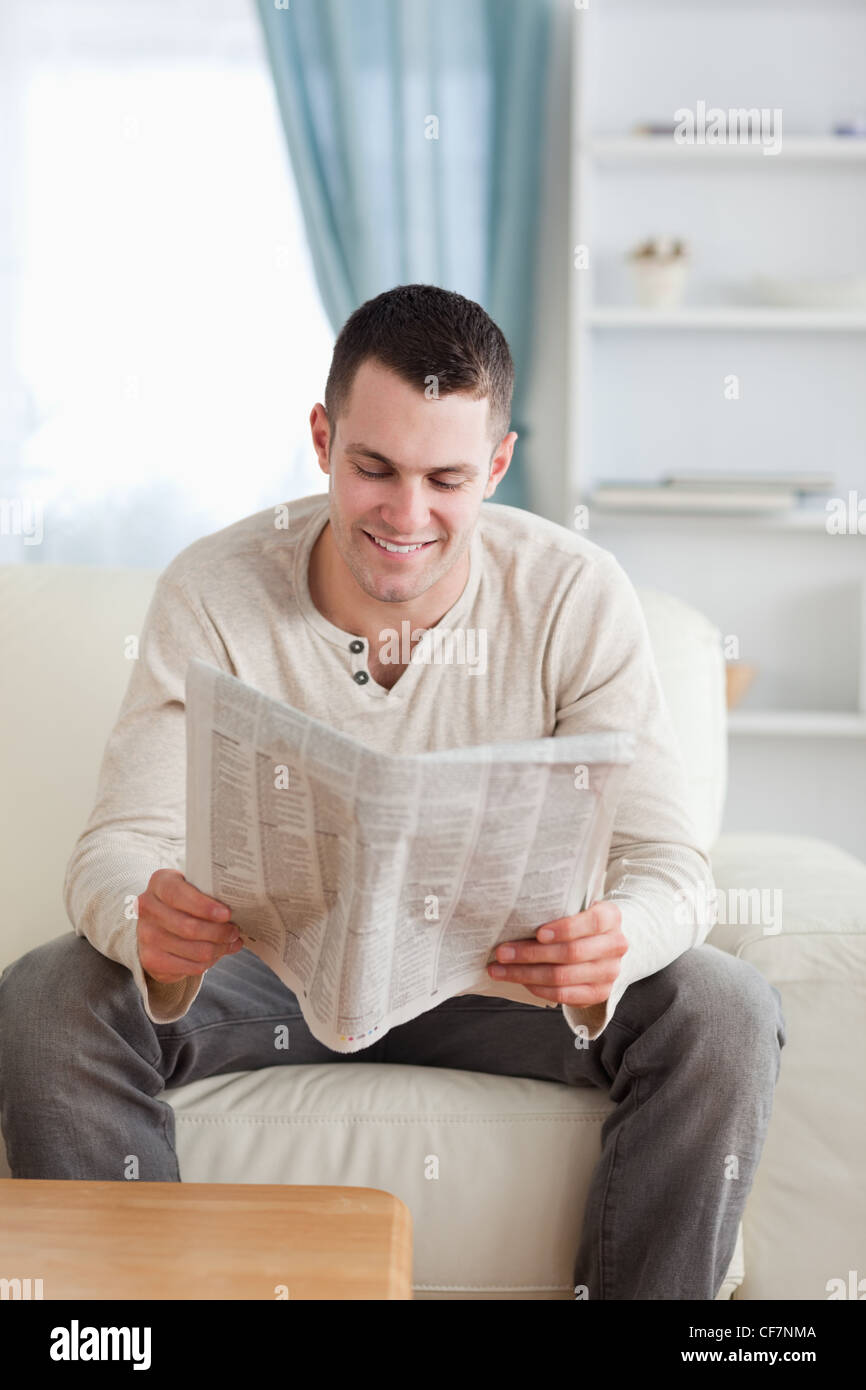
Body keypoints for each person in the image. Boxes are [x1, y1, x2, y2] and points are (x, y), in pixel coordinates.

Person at [0, 283, 786, 1299]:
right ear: (323, 437)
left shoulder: (574, 595)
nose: (405, 516)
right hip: (269, 967)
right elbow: (119, 841)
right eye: (373, 467)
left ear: (497, 465)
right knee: (50, 994)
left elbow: (668, 863)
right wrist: (139, 916)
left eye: (445, 478)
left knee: (721, 1006)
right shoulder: (210, 587)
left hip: (503, 977)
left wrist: (618, 938)